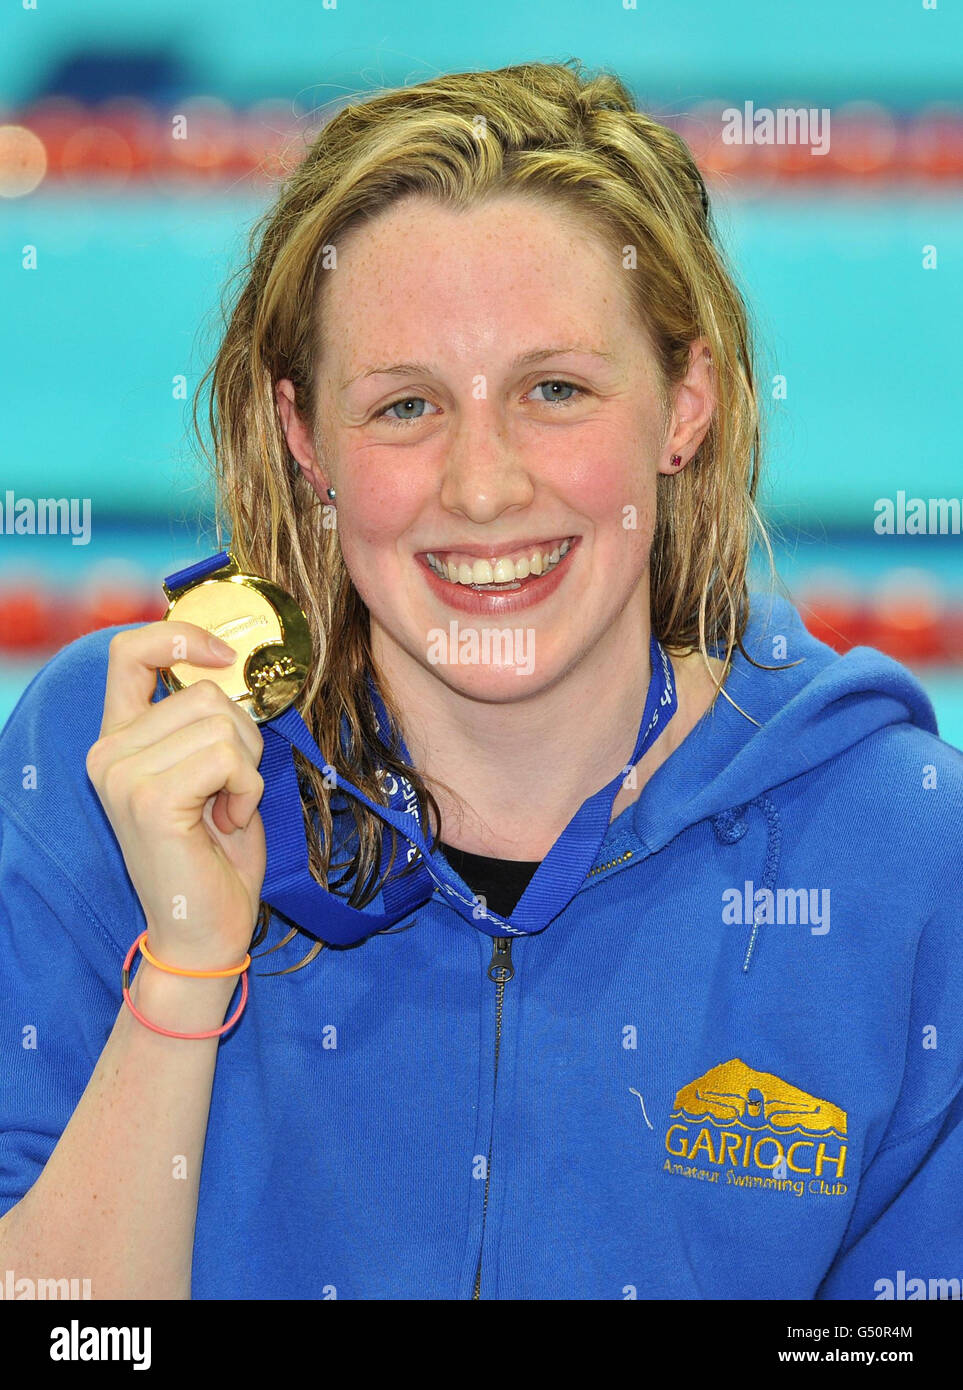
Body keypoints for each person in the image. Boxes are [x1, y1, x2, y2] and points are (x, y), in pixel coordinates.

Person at [0, 59, 960, 1302]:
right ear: (305, 439)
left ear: (685, 404)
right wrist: (185, 965)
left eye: (553, 390)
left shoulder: (900, 848)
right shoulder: (121, 763)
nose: (484, 487)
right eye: (405, 407)